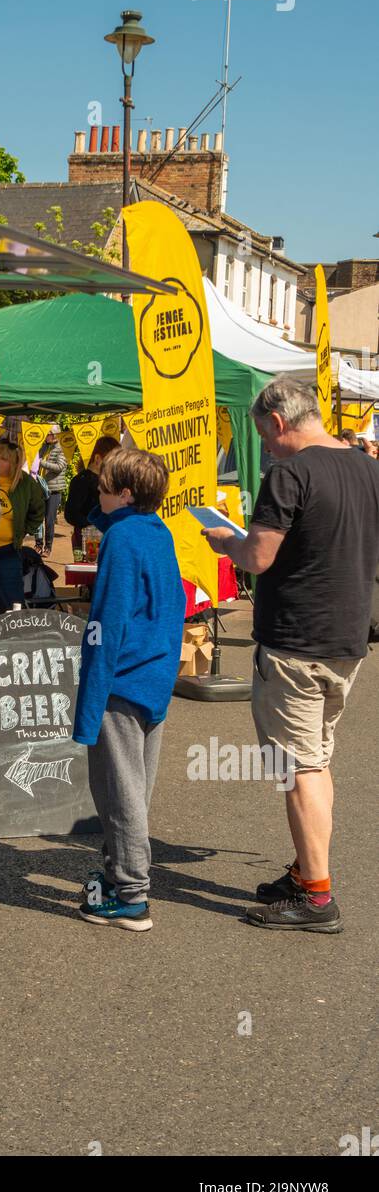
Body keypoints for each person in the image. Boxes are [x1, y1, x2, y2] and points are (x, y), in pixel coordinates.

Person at [203, 376, 379, 933]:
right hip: (346, 638)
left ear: (278, 423)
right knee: (316, 759)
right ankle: (307, 872)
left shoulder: (290, 472)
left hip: (295, 641)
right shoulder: (369, 467)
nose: (267, 447)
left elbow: (257, 556)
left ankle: (317, 898)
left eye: (264, 435)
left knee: (296, 766)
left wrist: (225, 542)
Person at [73, 448, 186, 932]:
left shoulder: (121, 540)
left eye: (103, 484)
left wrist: (90, 695)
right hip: (155, 675)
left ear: (123, 493)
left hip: (122, 678)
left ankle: (131, 893)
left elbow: (108, 619)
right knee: (135, 788)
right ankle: (120, 873)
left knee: (119, 793)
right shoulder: (157, 531)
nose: (95, 489)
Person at [0, 437, 45, 614]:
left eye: (3, 459)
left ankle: (14, 636)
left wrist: (24, 530)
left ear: (13, 464)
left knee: (13, 601)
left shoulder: (24, 483)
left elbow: (38, 508)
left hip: (7, 549)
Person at [64, 435, 122, 557]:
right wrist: (93, 524)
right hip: (86, 541)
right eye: (112, 461)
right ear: (97, 459)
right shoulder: (81, 480)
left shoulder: (110, 481)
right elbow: (70, 514)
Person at [34, 424, 68, 555]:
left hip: (54, 489)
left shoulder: (62, 448)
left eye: (47, 434)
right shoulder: (43, 447)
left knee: (49, 520)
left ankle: (48, 547)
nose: (45, 436)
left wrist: (40, 462)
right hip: (40, 488)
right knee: (38, 519)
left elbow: (59, 466)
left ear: (54, 435)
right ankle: (38, 544)